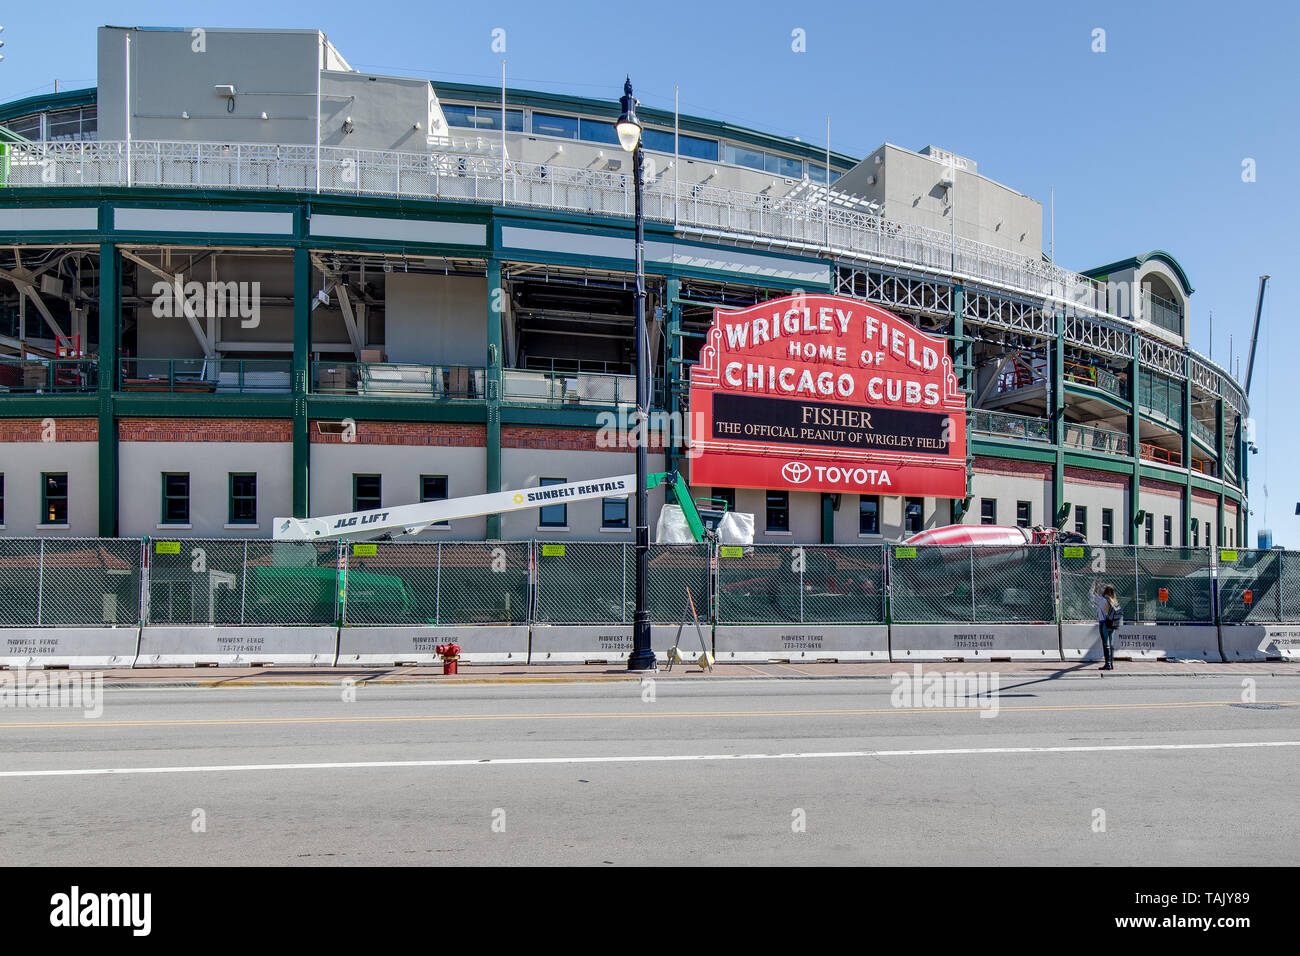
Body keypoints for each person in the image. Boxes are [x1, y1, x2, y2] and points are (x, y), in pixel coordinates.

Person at [1093, 583, 1123, 670]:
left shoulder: (1103, 600)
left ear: (1105, 591)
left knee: (1105, 643)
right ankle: (1111, 663)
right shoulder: (1114, 601)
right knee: (1111, 643)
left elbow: (1092, 595)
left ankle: (1107, 664)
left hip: (1104, 623)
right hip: (1113, 624)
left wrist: (1095, 587)